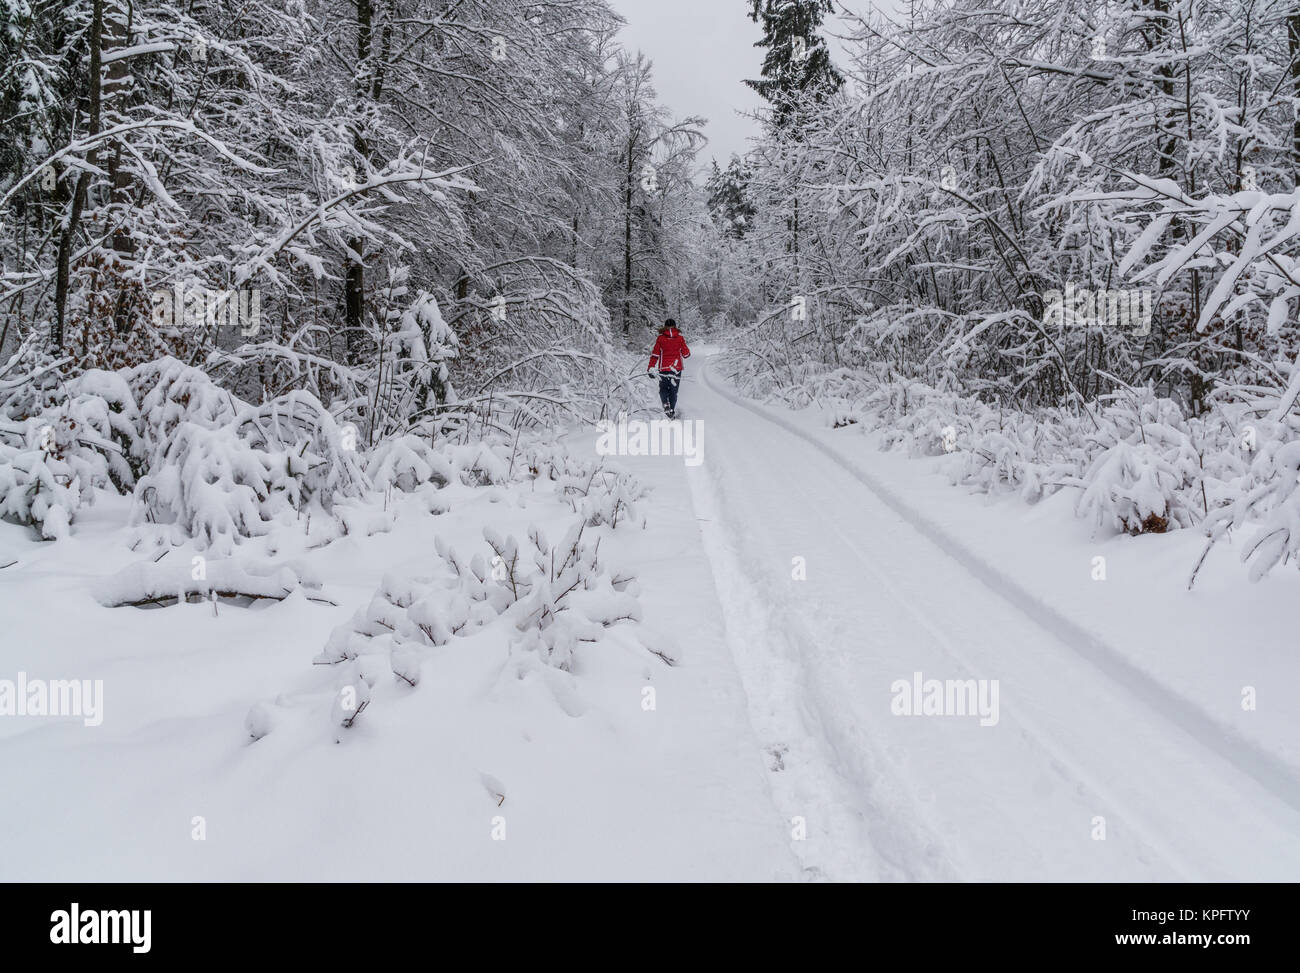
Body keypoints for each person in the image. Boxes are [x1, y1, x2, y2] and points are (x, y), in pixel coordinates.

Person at [647, 319, 690, 418]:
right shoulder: (680, 338)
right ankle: (671, 410)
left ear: (664, 326)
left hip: (664, 369)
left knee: (663, 389)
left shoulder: (660, 339)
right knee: (673, 391)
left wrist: (651, 367)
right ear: (675, 326)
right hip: (676, 369)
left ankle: (665, 404)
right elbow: (686, 354)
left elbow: (655, 355)